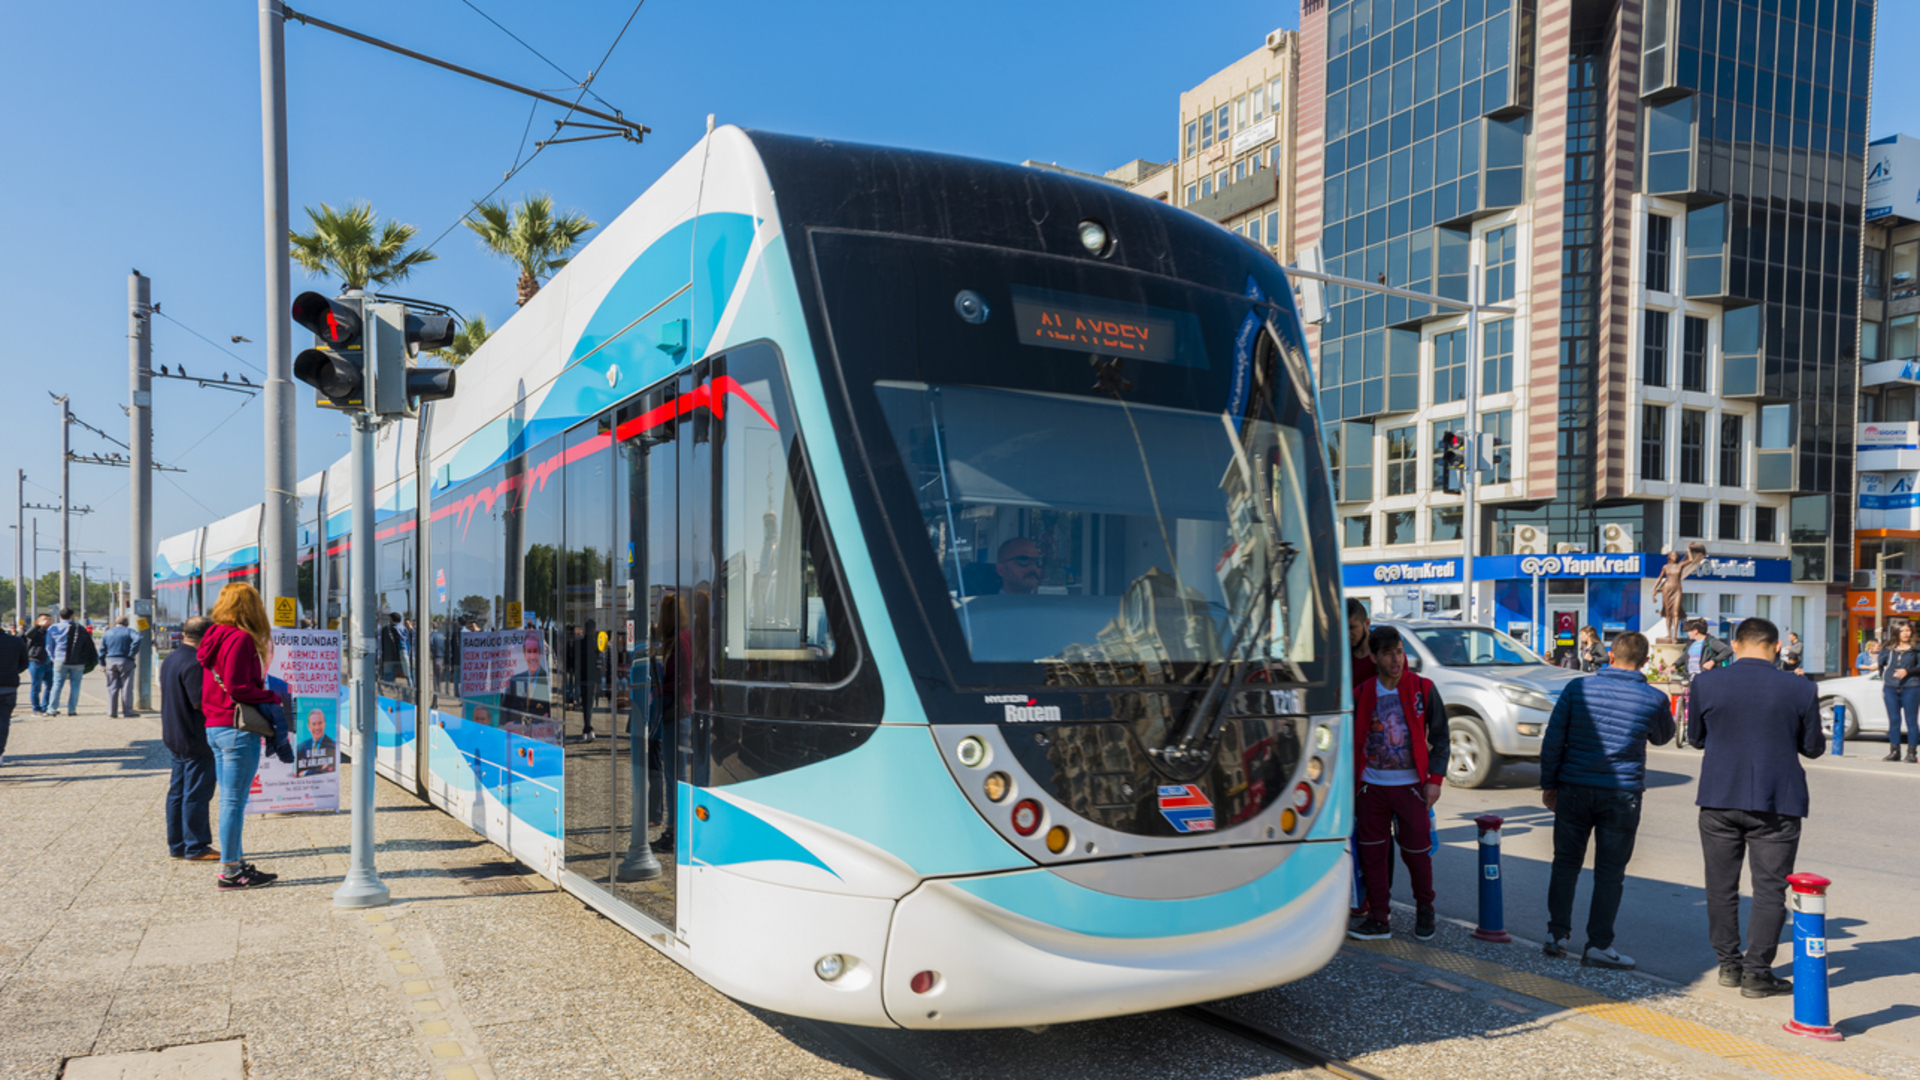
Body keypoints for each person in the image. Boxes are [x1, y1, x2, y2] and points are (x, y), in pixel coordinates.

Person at [1687, 617, 1824, 999]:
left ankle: (1728, 964)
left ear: (1735, 643)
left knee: (1721, 886)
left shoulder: (1706, 682)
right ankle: (1757, 973)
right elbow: (1813, 747)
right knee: (1770, 890)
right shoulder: (1801, 688)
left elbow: (1695, 738)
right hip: (1777, 801)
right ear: (1777, 647)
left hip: (1718, 797)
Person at [1538, 631, 1674, 969]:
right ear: (1645, 662)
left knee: (1565, 863)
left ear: (1610, 655)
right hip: (1621, 794)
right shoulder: (1653, 698)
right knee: (1610, 872)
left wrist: (1549, 784)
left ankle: (1556, 935)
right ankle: (1599, 945)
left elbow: (1553, 740)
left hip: (1573, 787)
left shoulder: (1577, 688)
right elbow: (1662, 737)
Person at [1347, 626, 1450, 942]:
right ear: (1375, 656)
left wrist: (1434, 781)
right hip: (1370, 788)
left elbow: (1442, 737)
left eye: (1399, 651)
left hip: (1411, 788)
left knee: (1418, 853)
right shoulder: (1362, 693)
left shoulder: (1423, 688)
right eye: (1389, 653)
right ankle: (1379, 918)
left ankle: (1425, 911)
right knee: (1373, 856)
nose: (1396, 659)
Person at [198, 583, 285, 890]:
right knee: (234, 802)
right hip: (237, 729)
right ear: (251, 607)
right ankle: (231, 872)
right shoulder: (240, 639)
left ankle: (236, 862)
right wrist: (271, 697)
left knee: (229, 801)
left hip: (215, 726)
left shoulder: (213, 637)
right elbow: (238, 687)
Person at [161, 616, 219, 860]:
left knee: (178, 792)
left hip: (174, 734)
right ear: (208, 637)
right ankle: (196, 846)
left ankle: (178, 845)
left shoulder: (171, 658)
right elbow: (200, 702)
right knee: (197, 793)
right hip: (195, 737)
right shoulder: (196, 663)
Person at [1881, 620, 1920, 763]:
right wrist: (1883, 675)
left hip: (1911, 687)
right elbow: (1881, 663)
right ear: (1896, 632)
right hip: (1891, 688)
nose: (1906, 633)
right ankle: (1894, 751)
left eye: (1908, 631)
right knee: (1894, 720)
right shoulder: (1888, 649)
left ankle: (1912, 753)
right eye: (1903, 631)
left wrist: (1907, 671)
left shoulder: (1916, 649)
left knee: (1911, 721)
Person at [47, 609, 94, 716]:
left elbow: (49, 646)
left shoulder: (53, 628)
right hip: (77, 660)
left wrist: (53, 658)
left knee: (57, 685)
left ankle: (52, 709)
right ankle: (72, 710)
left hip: (59, 658)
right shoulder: (80, 628)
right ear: (72, 616)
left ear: (60, 616)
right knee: (76, 686)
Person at [100, 616, 143, 718]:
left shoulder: (107, 632)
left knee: (112, 687)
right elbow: (138, 639)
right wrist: (132, 653)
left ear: (115, 623)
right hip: (125, 660)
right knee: (127, 687)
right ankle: (127, 711)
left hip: (110, 661)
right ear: (127, 624)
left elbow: (102, 649)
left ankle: (111, 712)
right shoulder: (129, 631)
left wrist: (101, 663)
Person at [0, 622, 27, 766]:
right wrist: (12, 672)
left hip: (8, 685)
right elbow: (24, 663)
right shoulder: (15, 642)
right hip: (8, 686)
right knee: (3, 722)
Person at [294, 708, 336, 777]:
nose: (317, 727)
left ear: (324, 725)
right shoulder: (300, 748)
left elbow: (330, 770)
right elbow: (296, 771)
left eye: (319, 723)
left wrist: (306, 773)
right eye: (313, 724)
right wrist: (320, 770)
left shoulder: (333, 745)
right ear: (309, 727)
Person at [25, 614, 52, 715]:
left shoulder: (51, 631)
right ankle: (36, 708)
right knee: (36, 686)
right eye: (45, 619)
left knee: (50, 686)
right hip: (36, 661)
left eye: (49, 619)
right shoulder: (37, 632)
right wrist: (37, 625)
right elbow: (28, 635)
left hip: (49, 662)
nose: (47, 621)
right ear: (38, 621)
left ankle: (46, 706)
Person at [1347, 598, 1375, 686]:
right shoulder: (1337, 655)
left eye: (1352, 627)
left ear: (1367, 623)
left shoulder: (1386, 652)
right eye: (1343, 628)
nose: (1347, 634)